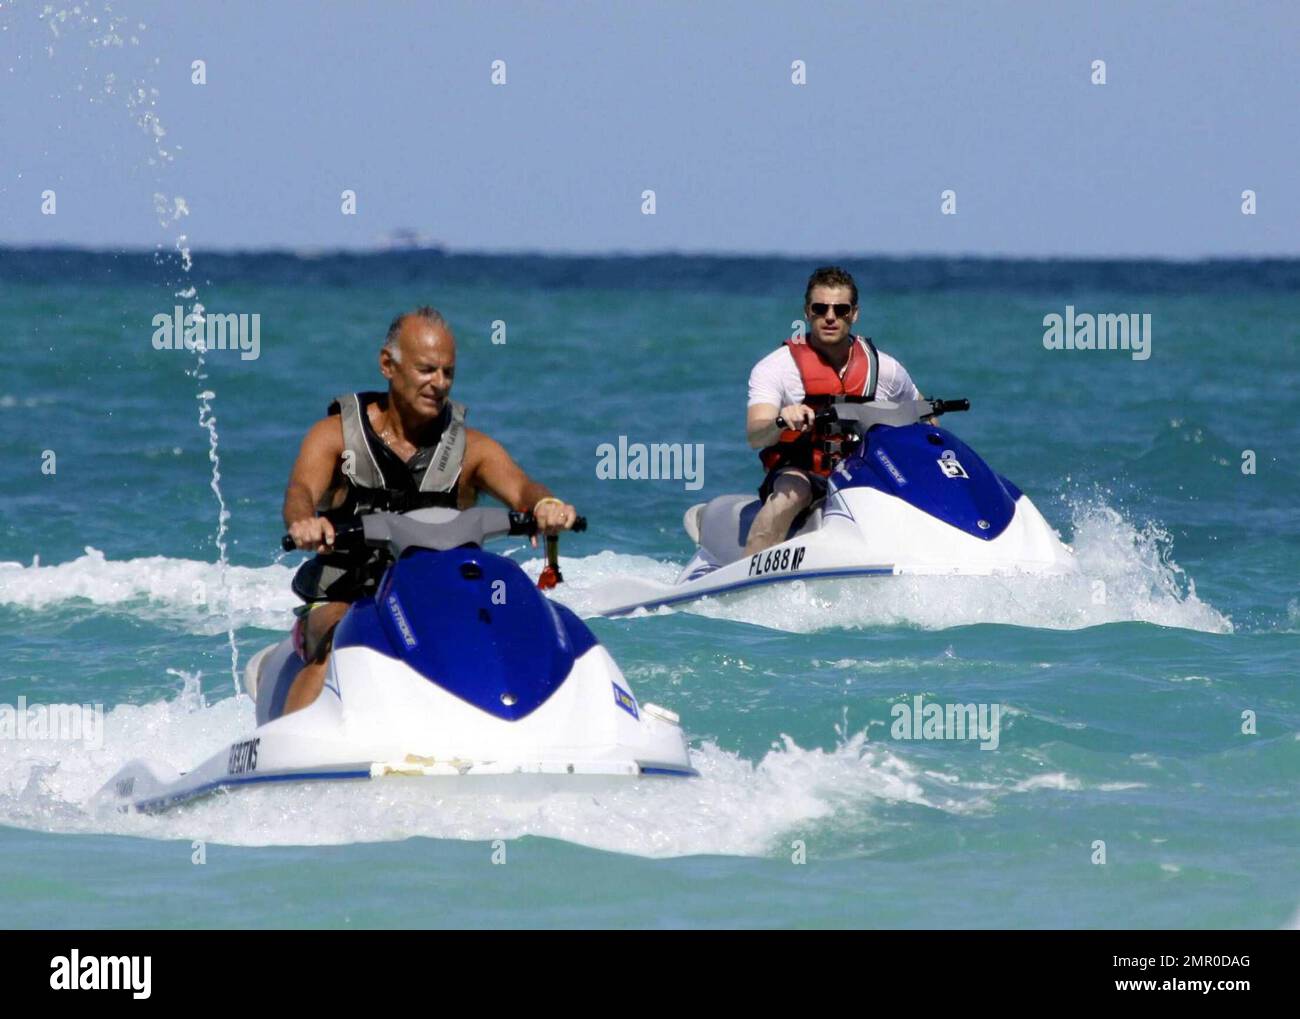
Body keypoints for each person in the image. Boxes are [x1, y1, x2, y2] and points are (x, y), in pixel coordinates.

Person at [281, 306, 577, 713]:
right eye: (426, 370)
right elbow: (300, 489)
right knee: (338, 641)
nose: (439, 384)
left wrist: (545, 505)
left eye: (448, 373)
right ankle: (288, 753)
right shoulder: (334, 437)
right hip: (346, 593)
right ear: (388, 365)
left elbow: (522, 487)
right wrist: (304, 522)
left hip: (433, 600)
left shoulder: (471, 448)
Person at [744, 266, 925, 555]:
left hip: (866, 472)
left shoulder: (886, 369)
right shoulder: (776, 367)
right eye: (821, 308)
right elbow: (756, 435)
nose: (830, 317)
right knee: (788, 497)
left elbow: (925, 418)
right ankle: (748, 583)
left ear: (854, 314)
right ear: (807, 312)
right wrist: (781, 421)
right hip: (803, 473)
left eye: (840, 309)